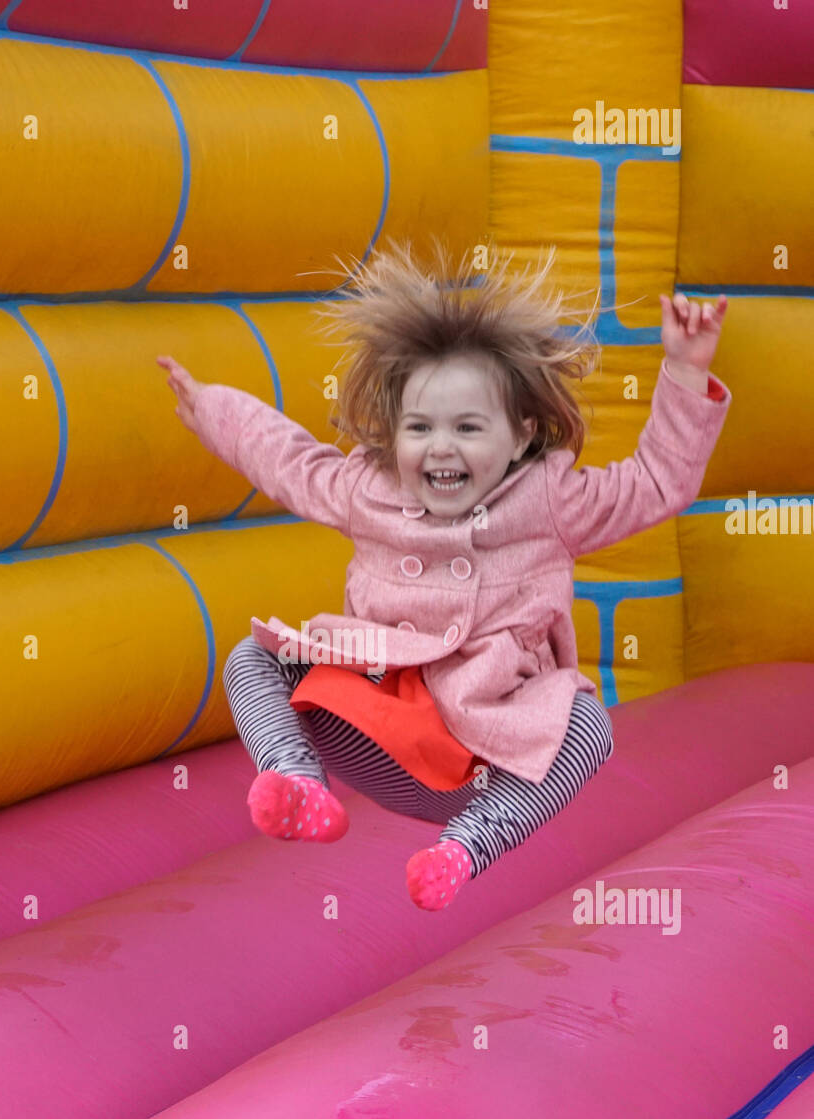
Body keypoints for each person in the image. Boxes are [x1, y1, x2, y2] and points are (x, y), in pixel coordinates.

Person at [157, 238, 729, 910]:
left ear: (519, 436)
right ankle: (297, 781)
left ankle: (467, 845)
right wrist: (214, 408)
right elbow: (286, 457)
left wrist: (686, 371)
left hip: (484, 745)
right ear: (394, 438)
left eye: (467, 427)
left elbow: (656, 482)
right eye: (420, 428)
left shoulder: (550, 501)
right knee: (254, 658)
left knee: (588, 723)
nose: (441, 448)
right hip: (373, 714)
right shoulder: (365, 489)